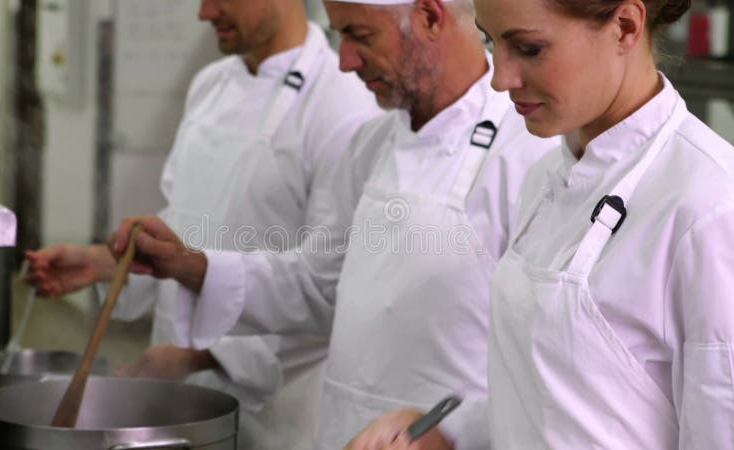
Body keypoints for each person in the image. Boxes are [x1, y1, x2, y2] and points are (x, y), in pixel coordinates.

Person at [109, 0, 556, 448]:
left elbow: (550, 370)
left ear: (430, 17)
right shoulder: (371, 147)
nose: (345, 61)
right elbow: (317, 286)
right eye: (340, 35)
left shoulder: (531, 156)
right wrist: (192, 266)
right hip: (344, 434)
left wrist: (457, 432)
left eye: (360, 35)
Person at [26, 0, 380, 449]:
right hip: (175, 402)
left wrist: (201, 356)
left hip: (273, 418)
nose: (204, 13)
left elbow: (327, 288)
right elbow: (189, 219)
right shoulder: (211, 83)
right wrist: (104, 263)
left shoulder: (343, 105)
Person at [472, 0, 733, 448]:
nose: (500, 79)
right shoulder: (544, 179)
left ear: (625, 27)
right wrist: (454, 428)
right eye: (491, 41)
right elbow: (555, 400)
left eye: (529, 48)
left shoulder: (709, 208)